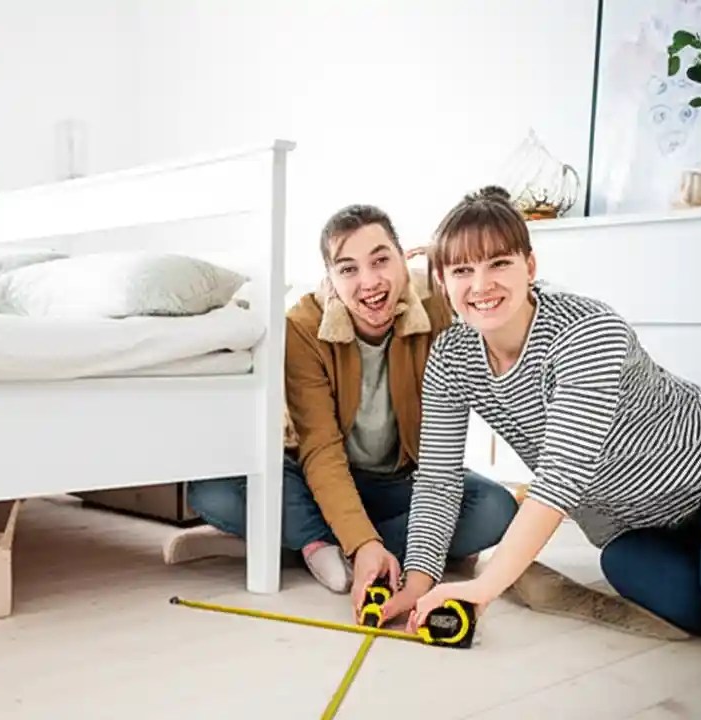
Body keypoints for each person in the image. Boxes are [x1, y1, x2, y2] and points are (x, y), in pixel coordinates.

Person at [394, 185, 701, 655]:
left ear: (529, 266)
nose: (481, 285)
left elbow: (560, 478)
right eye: (462, 270)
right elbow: (439, 481)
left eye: (499, 263)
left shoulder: (586, 331)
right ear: (442, 282)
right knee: (675, 596)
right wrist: (416, 584)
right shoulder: (451, 358)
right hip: (637, 527)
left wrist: (483, 588)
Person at [163, 203, 518, 615]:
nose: (369, 282)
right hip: (319, 479)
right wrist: (363, 541)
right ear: (330, 278)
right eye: (348, 269)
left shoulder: (437, 306)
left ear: (403, 261)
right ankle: (349, 545)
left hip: (401, 481)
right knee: (212, 490)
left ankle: (309, 542)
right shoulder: (303, 326)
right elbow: (320, 448)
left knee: (495, 508)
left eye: (381, 260)